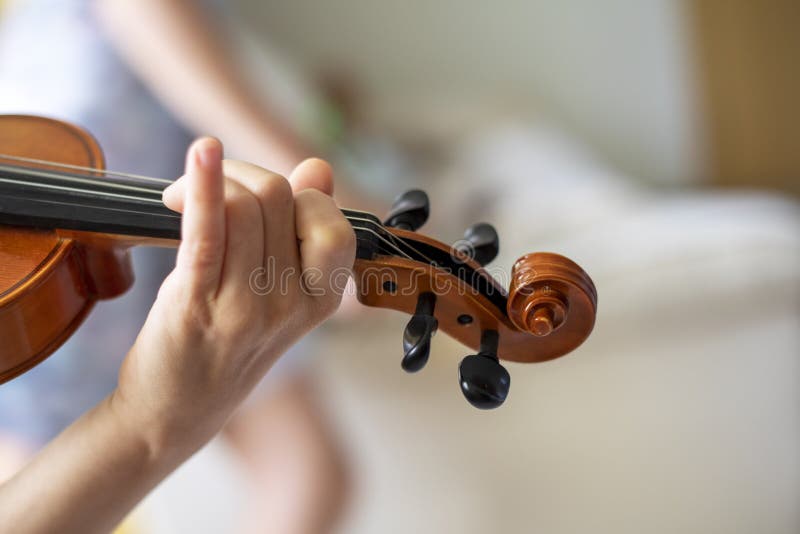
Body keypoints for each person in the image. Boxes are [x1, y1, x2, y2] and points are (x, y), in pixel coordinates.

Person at [0, 1, 355, 532]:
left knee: (307, 469)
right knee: (42, 474)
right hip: (51, 247)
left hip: (160, 233)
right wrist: (341, 208)